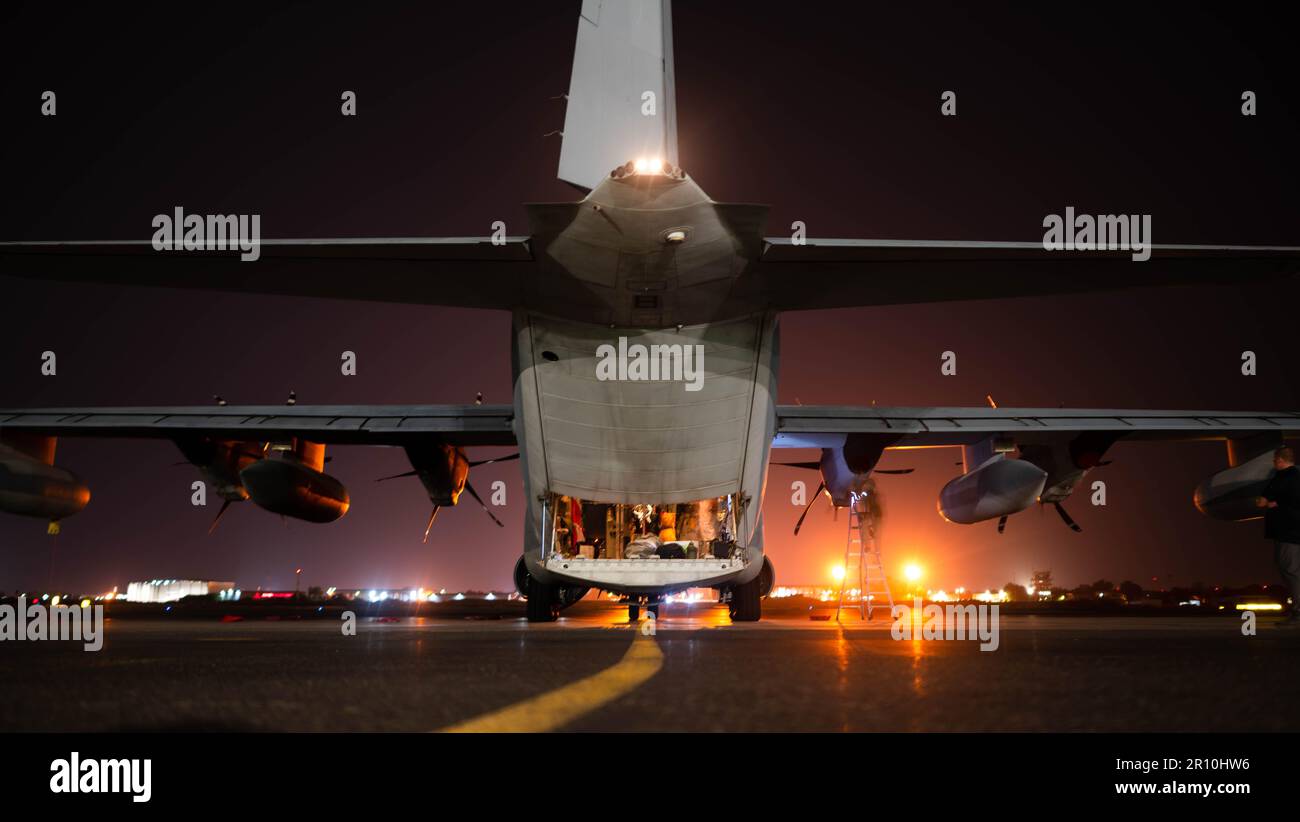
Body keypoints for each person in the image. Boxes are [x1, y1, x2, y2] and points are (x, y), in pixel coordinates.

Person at [1257, 446, 1300, 625]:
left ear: (1280, 460)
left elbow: (1261, 501)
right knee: (1290, 569)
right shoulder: (1294, 477)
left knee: (1290, 570)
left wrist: (1274, 503)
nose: (1274, 463)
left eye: (1275, 460)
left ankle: (1298, 612)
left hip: (1288, 531)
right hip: (1292, 530)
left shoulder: (1283, 478)